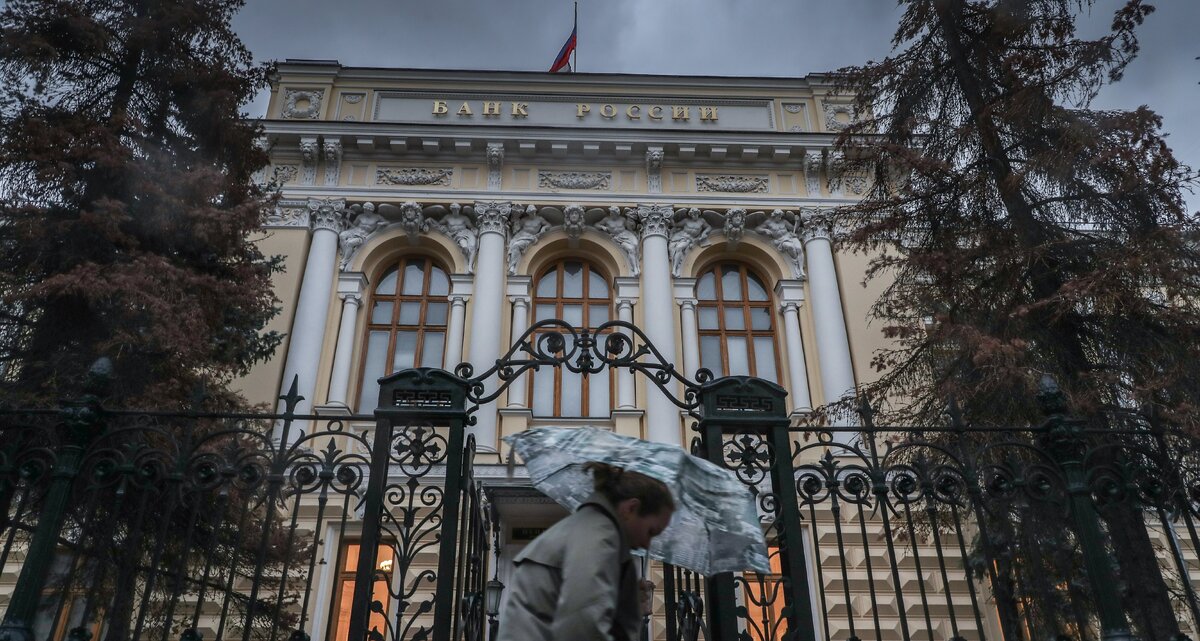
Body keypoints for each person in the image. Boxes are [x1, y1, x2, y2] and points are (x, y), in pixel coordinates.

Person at [497, 462, 675, 641]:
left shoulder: (594, 529)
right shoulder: (598, 537)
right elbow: (583, 629)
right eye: (651, 532)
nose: (646, 544)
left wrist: (629, 602)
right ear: (631, 508)